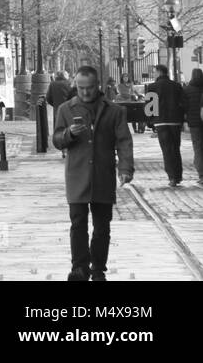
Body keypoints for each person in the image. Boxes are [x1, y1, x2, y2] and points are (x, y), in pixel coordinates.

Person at [52, 65, 133, 281]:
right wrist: (68, 134)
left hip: (103, 175)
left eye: (88, 88)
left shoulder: (114, 110)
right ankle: (79, 267)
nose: (85, 92)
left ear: (97, 85)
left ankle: (98, 268)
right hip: (77, 176)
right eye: (80, 88)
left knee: (102, 227)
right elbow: (57, 140)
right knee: (78, 223)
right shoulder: (65, 110)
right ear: (75, 85)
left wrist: (125, 168)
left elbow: (124, 141)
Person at [146, 64, 186, 187]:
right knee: (175, 148)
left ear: (158, 72)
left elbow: (149, 106)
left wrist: (150, 122)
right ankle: (178, 175)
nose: (153, 74)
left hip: (161, 122)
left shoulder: (152, 87)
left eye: (154, 72)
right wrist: (181, 118)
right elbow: (183, 103)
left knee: (167, 150)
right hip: (175, 121)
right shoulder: (177, 86)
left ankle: (172, 177)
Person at [185, 68, 203, 185]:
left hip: (194, 123)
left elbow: (184, 106)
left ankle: (202, 174)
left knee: (198, 148)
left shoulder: (187, 89)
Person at [45, 71, 71, 145]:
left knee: (58, 126)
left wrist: (55, 105)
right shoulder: (68, 83)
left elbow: (48, 98)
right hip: (69, 108)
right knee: (68, 126)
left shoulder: (52, 84)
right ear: (65, 76)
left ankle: (59, 143)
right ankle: (66, 145)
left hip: (57, 109)